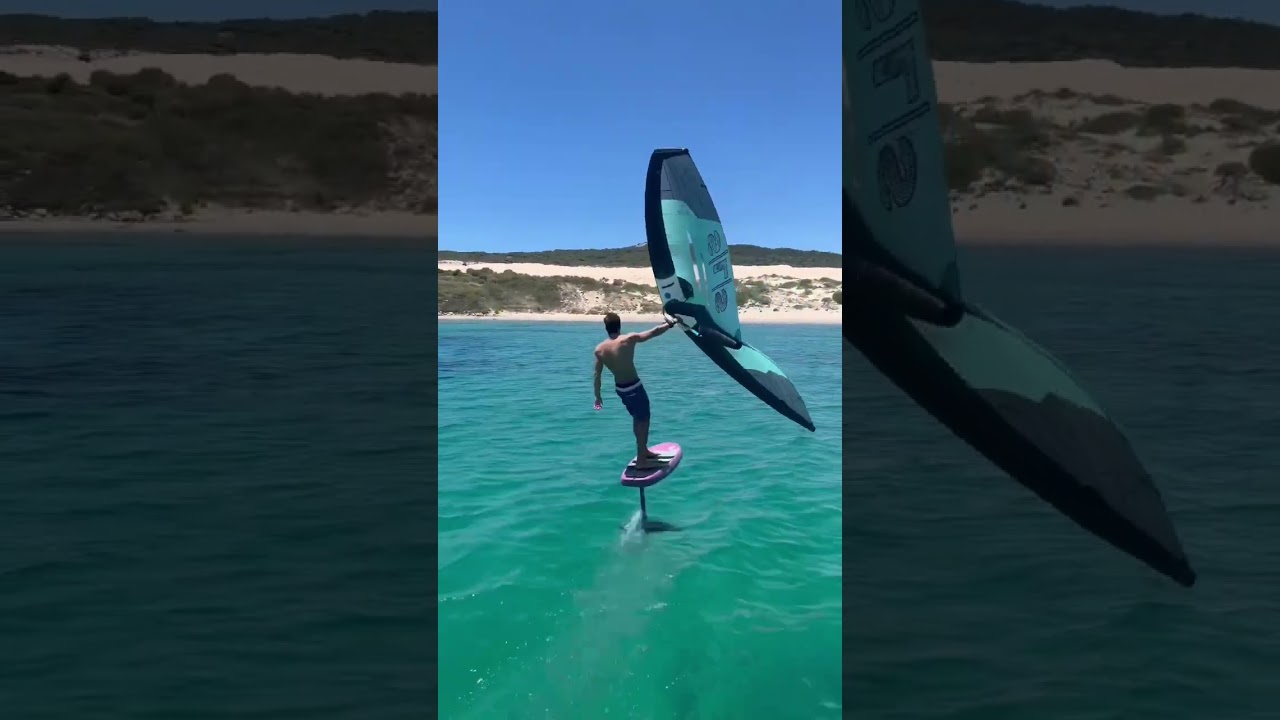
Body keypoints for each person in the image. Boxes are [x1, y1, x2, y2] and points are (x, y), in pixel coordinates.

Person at [593, 312, 677, 469]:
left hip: (621, 389)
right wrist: (670, 324)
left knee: (637, 418)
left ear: (606, 328)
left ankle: (643, 451)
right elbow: (653, 332)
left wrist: (598, 397)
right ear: (619, 325)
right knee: (643, 420)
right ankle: (641, 460)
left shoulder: (599, 350)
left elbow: (597, 375)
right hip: (634, 387)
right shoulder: (628, 339)